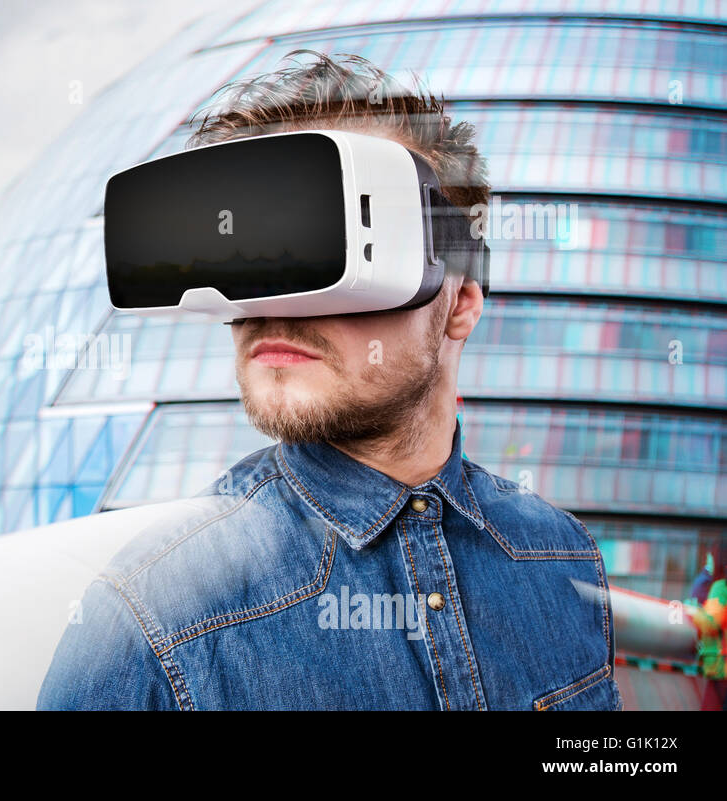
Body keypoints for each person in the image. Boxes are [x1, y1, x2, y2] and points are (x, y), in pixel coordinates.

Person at [36, 50, 620, 711]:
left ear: (459, 301)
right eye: (249, 253)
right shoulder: (149, 626)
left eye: (324, 241)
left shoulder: (560, 557)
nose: (273, 305)